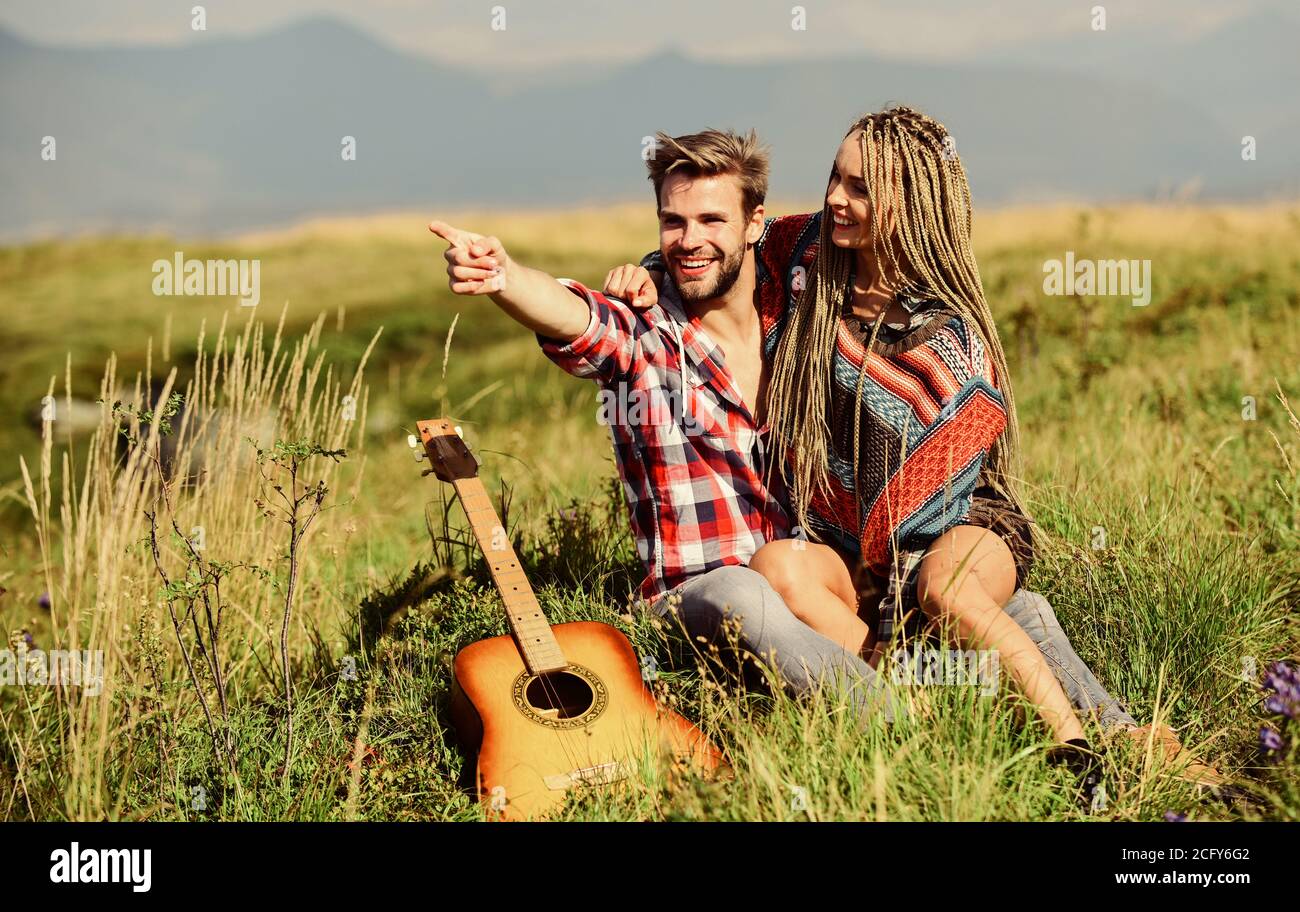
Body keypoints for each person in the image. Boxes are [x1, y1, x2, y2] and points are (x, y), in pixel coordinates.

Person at [426, 127, 1151, 750]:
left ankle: (1121, 741)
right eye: (671, 223)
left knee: (990, 604)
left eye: (711, 219)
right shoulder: (647, 333)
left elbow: (876, 231)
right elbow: (574, 316)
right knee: (746, 586)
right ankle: (910, 734)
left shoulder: (796, 316)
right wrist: (503, 276)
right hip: (701, 594)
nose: (688, 241)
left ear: (755, 224)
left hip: (811, 582)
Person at [599, 122, 1228, 789]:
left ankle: (1092, 744)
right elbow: (716, 241)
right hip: (853, 544)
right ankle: (924, 707)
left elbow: (911, 517)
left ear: (905, 202)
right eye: (835, 177)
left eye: (860, 187)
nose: (836, 198)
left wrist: (884, 598)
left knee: (951, 592)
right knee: (779, 565)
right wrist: (647, 272)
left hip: (950, 526)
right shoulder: (806, 250)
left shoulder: (946, 342)